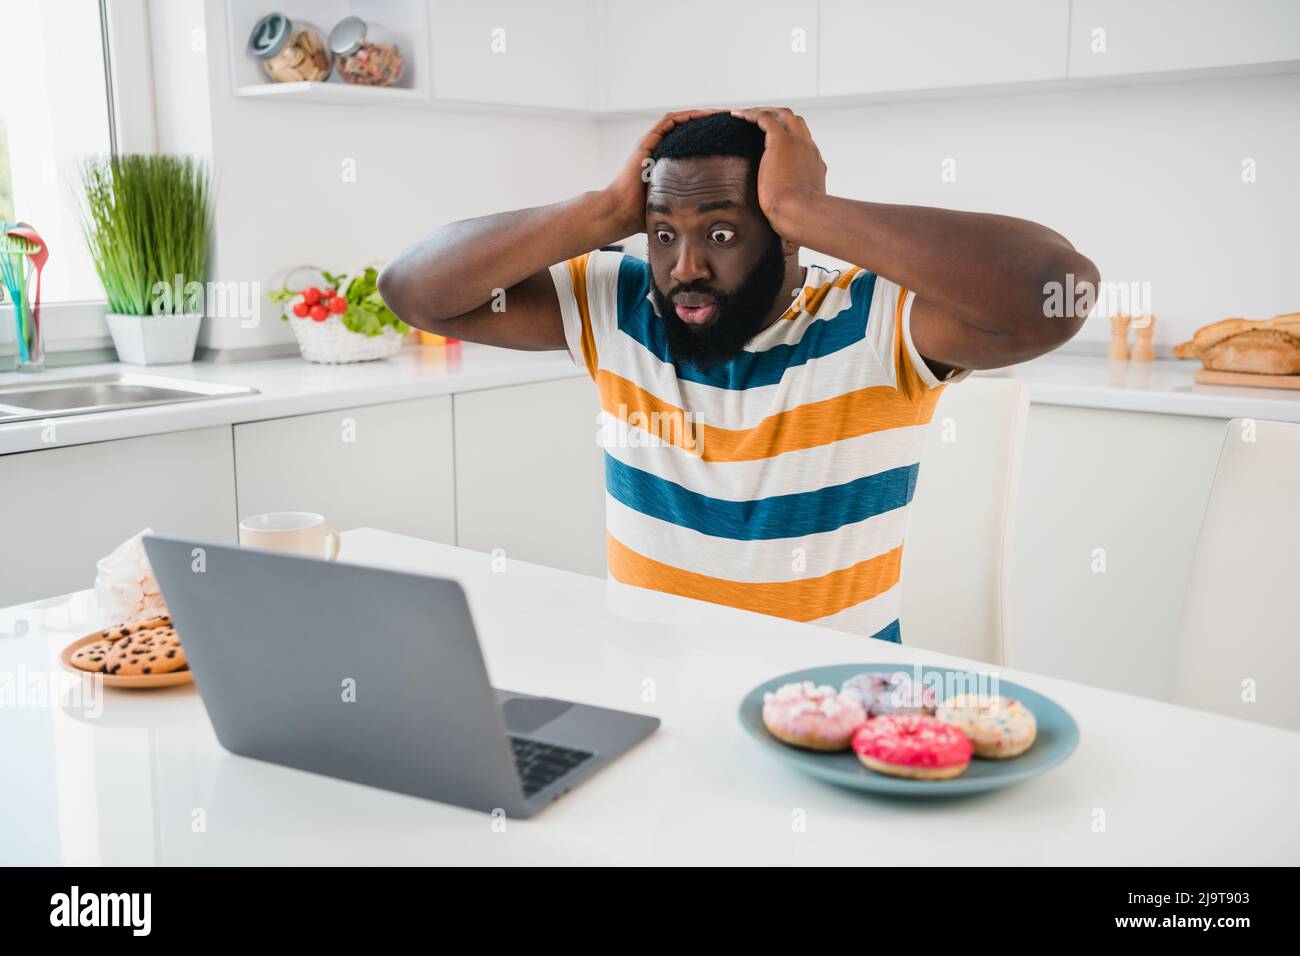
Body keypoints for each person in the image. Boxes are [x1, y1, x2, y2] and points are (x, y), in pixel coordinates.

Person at [380, 108, 1098, 641]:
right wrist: (603, 210)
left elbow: (1050, 295)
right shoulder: (619, 307)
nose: (684, 267)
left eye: (720, 233)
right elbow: (415, 291)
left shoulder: (870, 321)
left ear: (787, 237)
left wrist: (807, 207)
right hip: (651, 692)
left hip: (833, 704)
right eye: (664, 234)